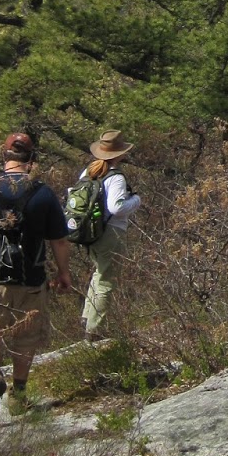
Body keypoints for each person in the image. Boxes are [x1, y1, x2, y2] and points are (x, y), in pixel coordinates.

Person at [0, 132, 71, 418]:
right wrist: (63, 273)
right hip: (30, 281)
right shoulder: (43, 194)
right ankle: (18, 395)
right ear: (31, 160)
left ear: (3, 157)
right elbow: (59, 240)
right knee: (25, 339)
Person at [78, 130, 142, 342]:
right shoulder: (116, 177)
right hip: (110, 232)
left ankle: (87, 317)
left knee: (98, 273)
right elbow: (116, 207)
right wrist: (136, 201)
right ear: (119, 153)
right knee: (107, 280)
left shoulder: (88, 172)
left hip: (90, 232)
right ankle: (94, 331)